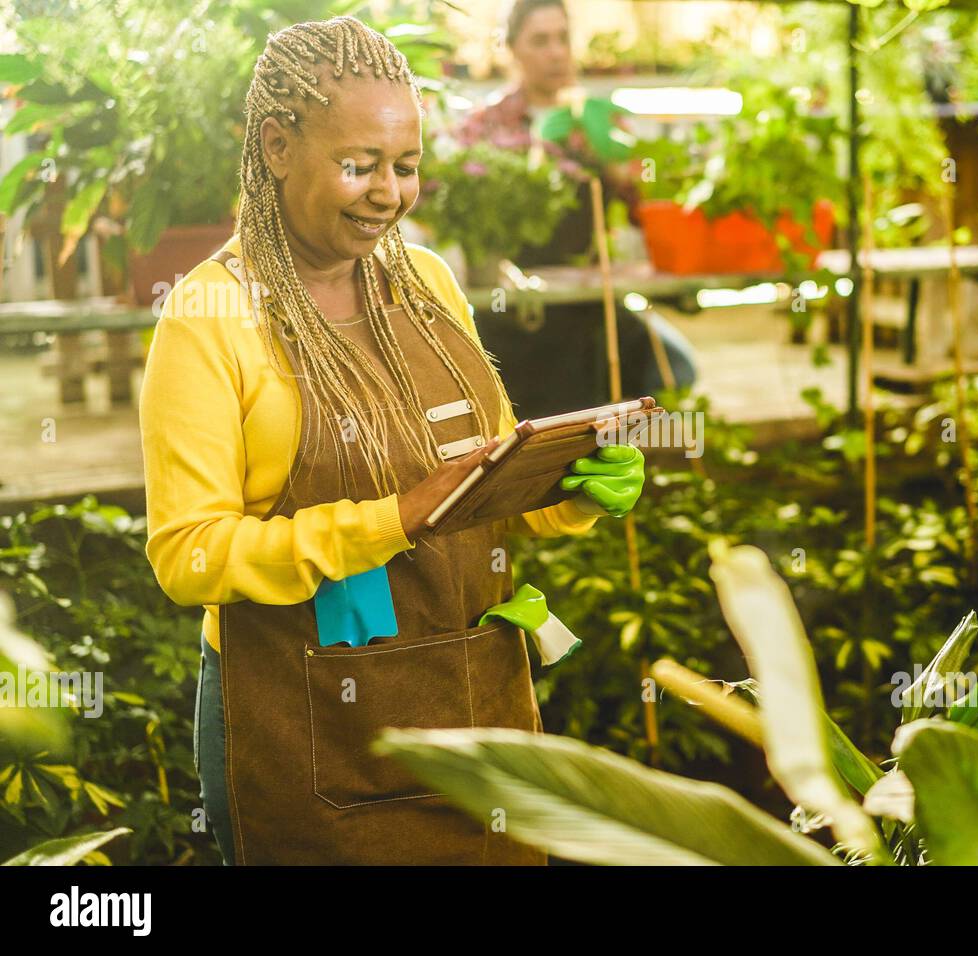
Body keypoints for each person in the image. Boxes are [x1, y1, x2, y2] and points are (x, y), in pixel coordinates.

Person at [139, 15, 645, 866]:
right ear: (274, 147)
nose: (390, 193)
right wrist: (390, 519)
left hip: (476, 702)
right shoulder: (208, 317)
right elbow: (189, 556)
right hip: (307, 733)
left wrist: (567, 490)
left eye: (405, 167)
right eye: (358, 166)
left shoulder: (426, 280)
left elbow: (481, 483)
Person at [452, 0, 697, 418]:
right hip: (516, 311)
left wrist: (624, 167)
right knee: (540, 415)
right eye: (540, 40)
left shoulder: (596, 121)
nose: (556, 52)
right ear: (512, 48)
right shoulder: (486, 126)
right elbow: (458, 221)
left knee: (674, 370)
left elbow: (651, 210)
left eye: (563, 38)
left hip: (589, 298)